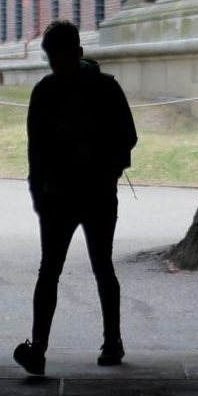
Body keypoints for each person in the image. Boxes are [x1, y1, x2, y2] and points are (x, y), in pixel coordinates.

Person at [13, 20, 138, 376]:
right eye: (53, 60)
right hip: (68, 194)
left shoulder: (82, 90)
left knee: (88, 267)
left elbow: (125, 137)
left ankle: (103, 341)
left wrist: (100, 166)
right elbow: (35, 151)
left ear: (78, 54)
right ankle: (45, 347)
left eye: (62, 58)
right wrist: (38, 193)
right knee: (63, 269)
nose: (58, 66)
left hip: (84, 192)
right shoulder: (81, 89)